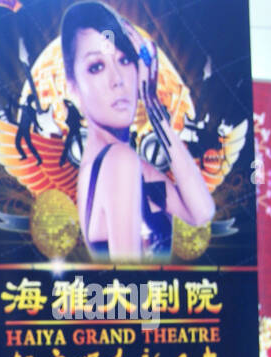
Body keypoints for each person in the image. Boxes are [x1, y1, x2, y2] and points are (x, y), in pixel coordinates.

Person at [62, 1, 214, 261]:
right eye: (96, 66)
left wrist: (151, 102)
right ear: (73, 88)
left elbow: (201, 212)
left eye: (124, 59)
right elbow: (128, 278)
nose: (118, 80)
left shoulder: (121, 164)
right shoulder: (118, 160)